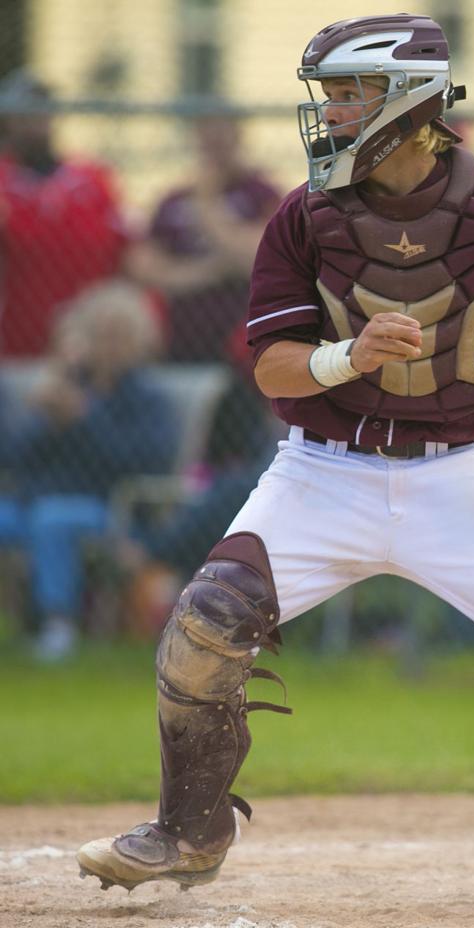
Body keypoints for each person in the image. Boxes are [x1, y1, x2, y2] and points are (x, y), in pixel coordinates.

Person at [75, 14, 474, 907]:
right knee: (203, 629)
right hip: (323, 471)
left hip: (454, 475)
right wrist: (347, 356)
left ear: (410, 103)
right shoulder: (306, 214)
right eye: (328, 94)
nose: (329, 114)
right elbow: (272, 362)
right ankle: (186, 832)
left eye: (349, 93)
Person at [0, 279, 177, 660]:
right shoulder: (64, 385)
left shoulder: (147, 398)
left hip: (109, 508)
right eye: (99, 334)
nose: (108, 345)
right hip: (36, 499)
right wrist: (43, 416)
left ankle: (57, 625)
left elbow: (146, 461)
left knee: (53, 520)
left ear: (141, 341)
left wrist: (83, 418)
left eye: (119, 336)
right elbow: (15, 458)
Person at [128, 115, 281, 361]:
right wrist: (209, 272)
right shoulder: (174, 198)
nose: (213, 153)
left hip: (241, 320)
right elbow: (142, 268)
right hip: (179, 321)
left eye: (221, 142)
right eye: (207, 144)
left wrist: (207, 203)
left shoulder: (260, 193)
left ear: (238, 141)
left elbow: (257, 258)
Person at [0, 73, 126, 357]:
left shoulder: (92, 177)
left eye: (42, 109)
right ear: (9, 119)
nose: (36, 120)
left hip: (89, 340)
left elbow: (126, 251)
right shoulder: (4, 179)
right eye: (25, 111)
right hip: (15, 341)